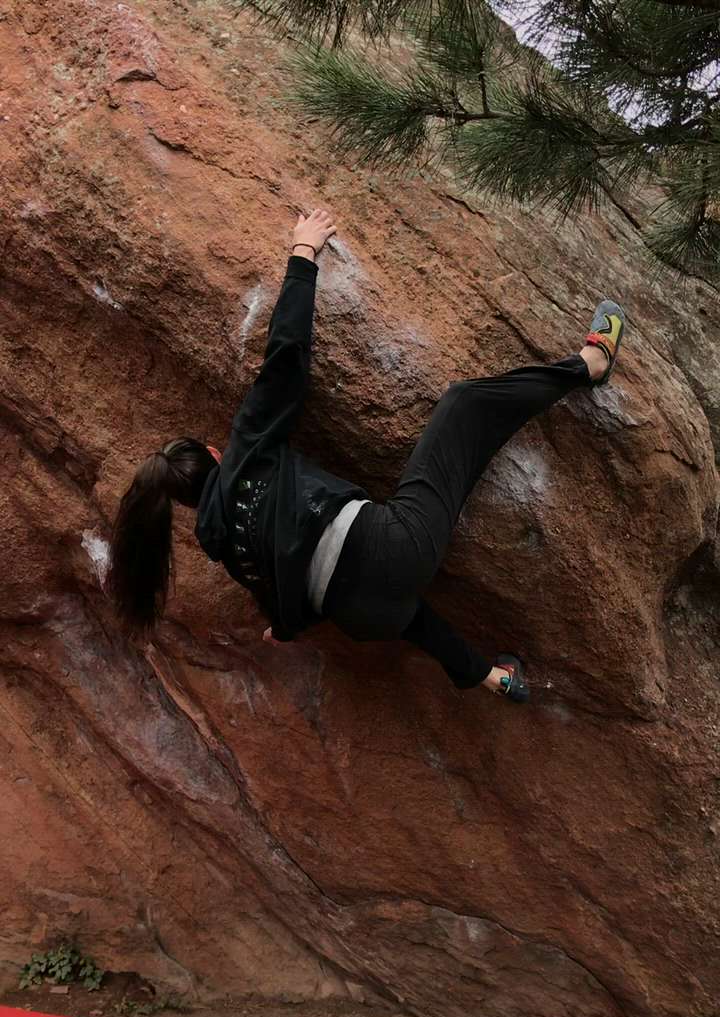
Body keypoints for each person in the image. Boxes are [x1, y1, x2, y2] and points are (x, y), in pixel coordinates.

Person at [108, 208, 625, 704]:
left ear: (186, 505)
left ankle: (493, 677)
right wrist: (303, 253)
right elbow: (285, 357)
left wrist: (283, 630)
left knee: (404, 612)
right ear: (216, 454)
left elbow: (278, 598)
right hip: (392, 548)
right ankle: (589, 365)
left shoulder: (224, 546)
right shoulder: (243, 452)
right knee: (464, 404)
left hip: (359, 617)